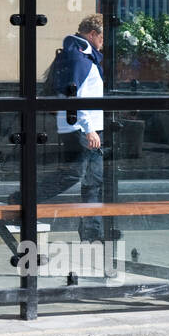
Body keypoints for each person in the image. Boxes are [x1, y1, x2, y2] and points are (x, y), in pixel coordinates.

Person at [35, 13, 106, 241]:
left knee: (93, 181)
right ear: (93, 34)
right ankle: (23, 198)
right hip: (81, 129)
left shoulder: (82, 55)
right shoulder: (79, 58)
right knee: (73, 174)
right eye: (102, 36)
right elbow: (76, 97)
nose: (104, 41)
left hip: (84, 127)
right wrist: (89, 128)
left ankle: (92, 233)